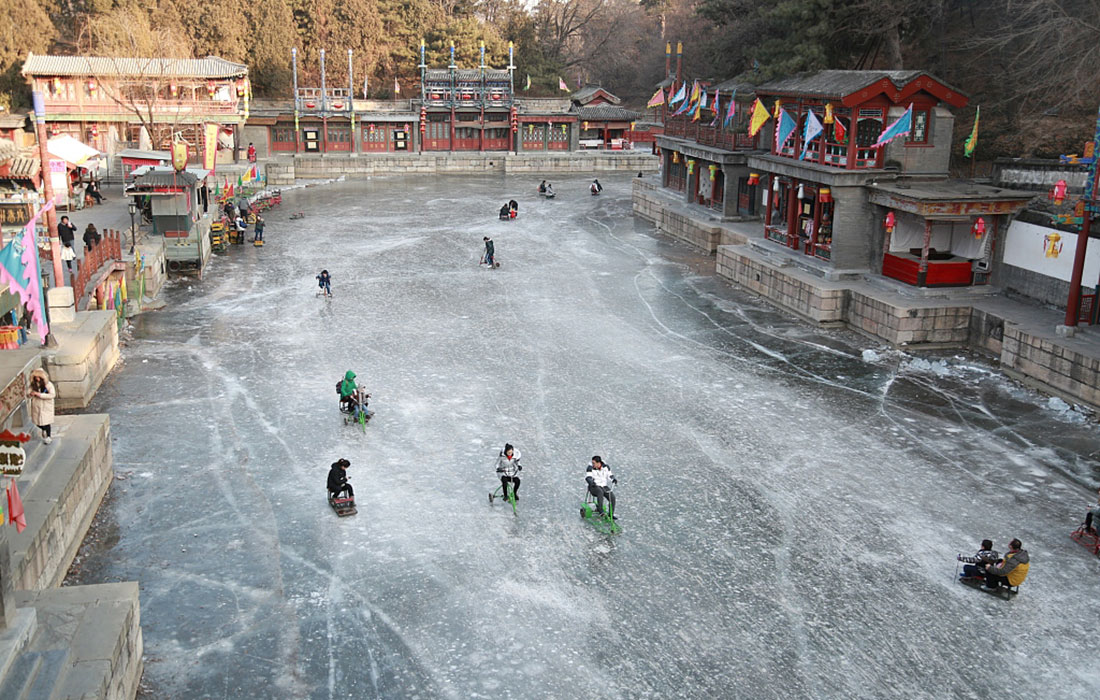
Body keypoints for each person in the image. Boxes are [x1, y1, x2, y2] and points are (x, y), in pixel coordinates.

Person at [27, 368, 56, 444]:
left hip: (46, 406)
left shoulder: (48, 385)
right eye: (36, 377)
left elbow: (52, 395)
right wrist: (30, 394)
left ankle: (48, 436)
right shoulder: (33, 385)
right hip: (36, 406)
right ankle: (43, 430)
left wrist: (39, 395)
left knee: (47, 422)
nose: (37, 379)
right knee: (37, 422)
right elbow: (28, 394)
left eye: (39, 377)